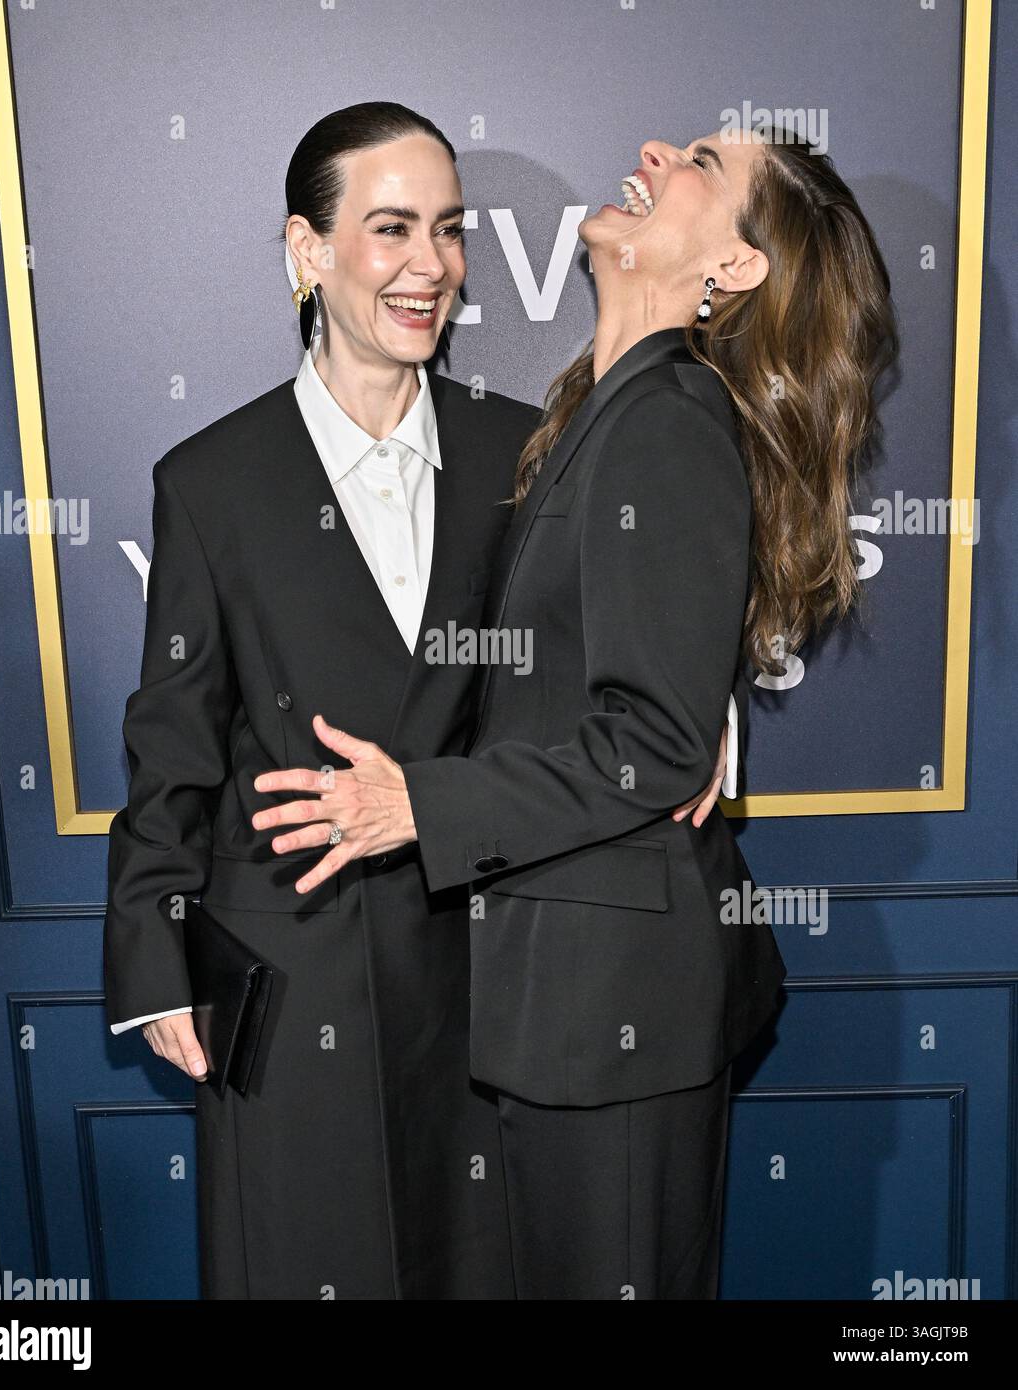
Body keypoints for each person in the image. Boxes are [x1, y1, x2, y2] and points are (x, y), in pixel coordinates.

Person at [103, 100, 747, 1299]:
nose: (429, 266)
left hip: (481, 968)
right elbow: (172, 742)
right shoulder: (208, 481)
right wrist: (152, 955)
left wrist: (712, 728)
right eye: (391, 228)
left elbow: (619, 639)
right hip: (289, 975)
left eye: (447, 232)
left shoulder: (530, 451)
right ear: (307, 252)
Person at [253, 123, 899, 1299]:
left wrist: (417, 805)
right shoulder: (594, 410)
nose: (654, 150)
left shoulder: (666, 421)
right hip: (563, 1004)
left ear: (735, 267)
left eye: (699, 162)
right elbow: (624, 690)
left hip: (618, 1012)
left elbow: (647, 740)